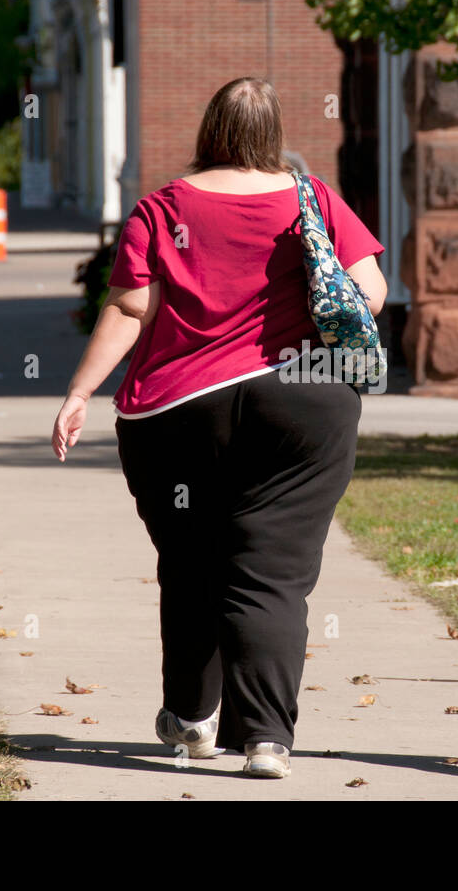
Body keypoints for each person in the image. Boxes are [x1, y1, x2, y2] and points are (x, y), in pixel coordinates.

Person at [51, 77, 387, 779]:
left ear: (209, 129)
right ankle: (266, 740)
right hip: (304, 404)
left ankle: (192, 717)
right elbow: (371, 292)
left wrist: (80, 390)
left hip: (178, 412)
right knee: (271, 574)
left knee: (191, 562)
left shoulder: (162, 207)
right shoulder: (313, 199)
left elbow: (130, 309)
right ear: (274, 133)